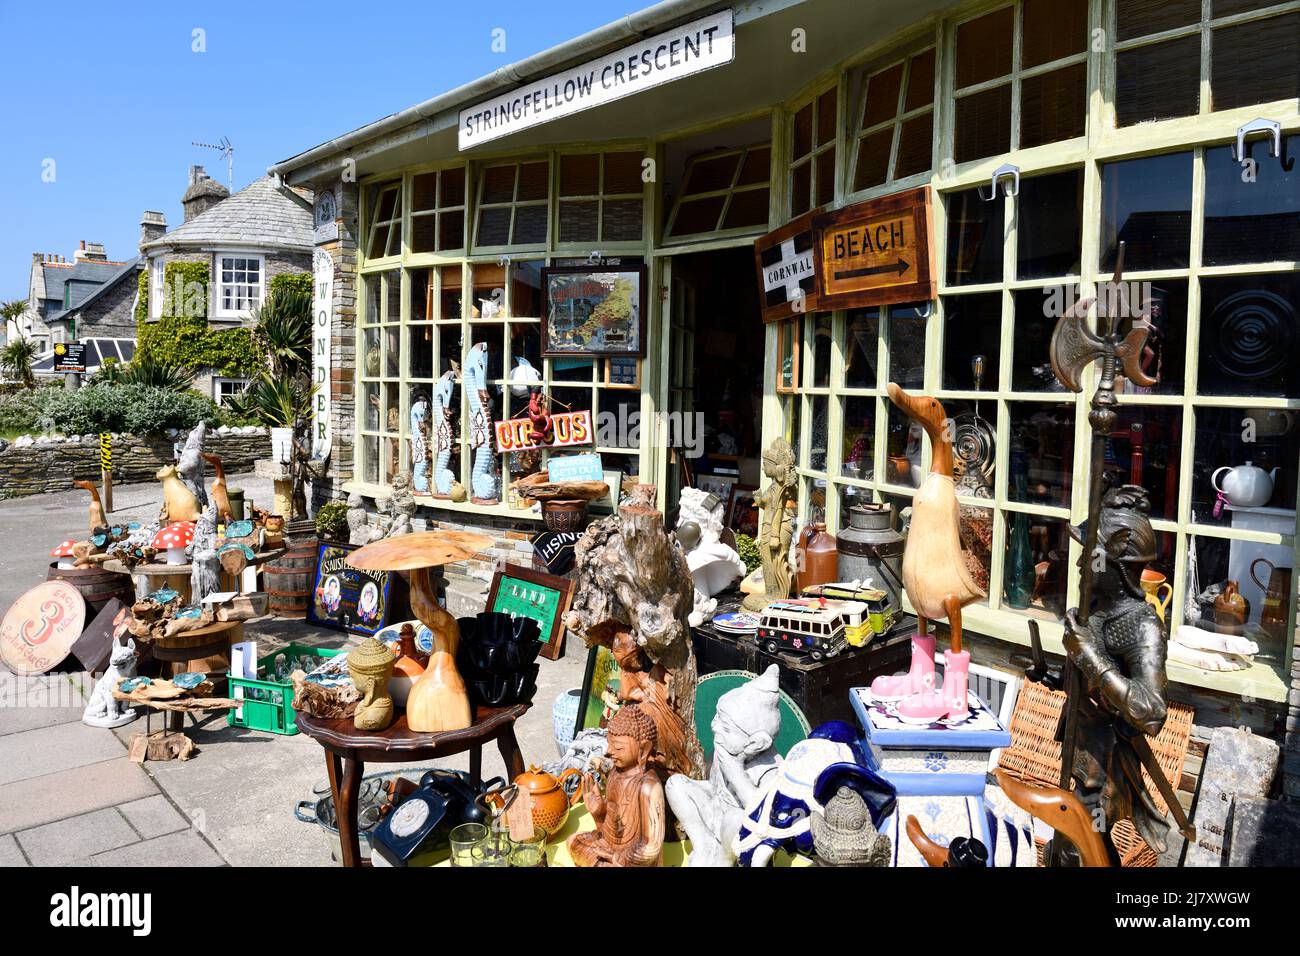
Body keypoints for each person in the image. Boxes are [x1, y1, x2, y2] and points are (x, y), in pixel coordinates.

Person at [568, 704, 665, 867]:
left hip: (632, 860)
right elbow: (610, 827)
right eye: (609, 744)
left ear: (643, 749)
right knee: (573, 841)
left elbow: (651, 847)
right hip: (610, 846)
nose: (608, 751)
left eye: (618, 747)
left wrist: (616, 857)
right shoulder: (614, 772)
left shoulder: (649, 787)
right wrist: (599, 815)